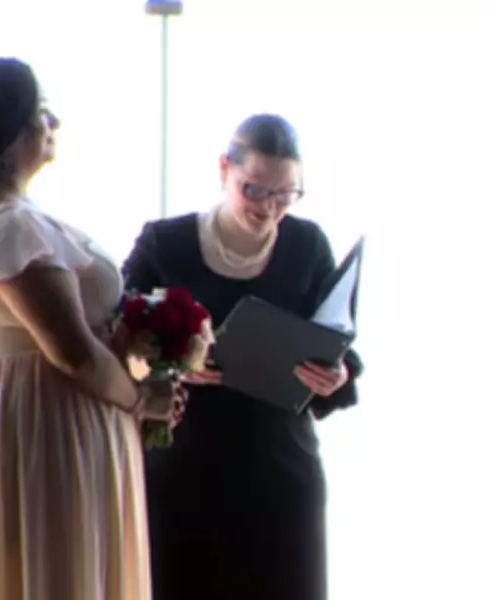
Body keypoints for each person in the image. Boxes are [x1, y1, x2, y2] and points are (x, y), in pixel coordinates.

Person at [0, 58, 181, 600]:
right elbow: (72, 352)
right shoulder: (8, 225)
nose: (54, 124)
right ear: (11, 130)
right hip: (41, 426)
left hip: (29, 415)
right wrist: (142, 400)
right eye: (42, 111)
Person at [122, 113, 364, 600]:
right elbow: (115, 339)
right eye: (254, 189)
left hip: (280, 468)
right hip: (183, 465)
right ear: (223, 170)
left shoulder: (307, 245)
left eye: (285, 195)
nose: (268, 207)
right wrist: (175, 365)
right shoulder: (165, 244)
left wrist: (335, 373)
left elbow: (335, 338)